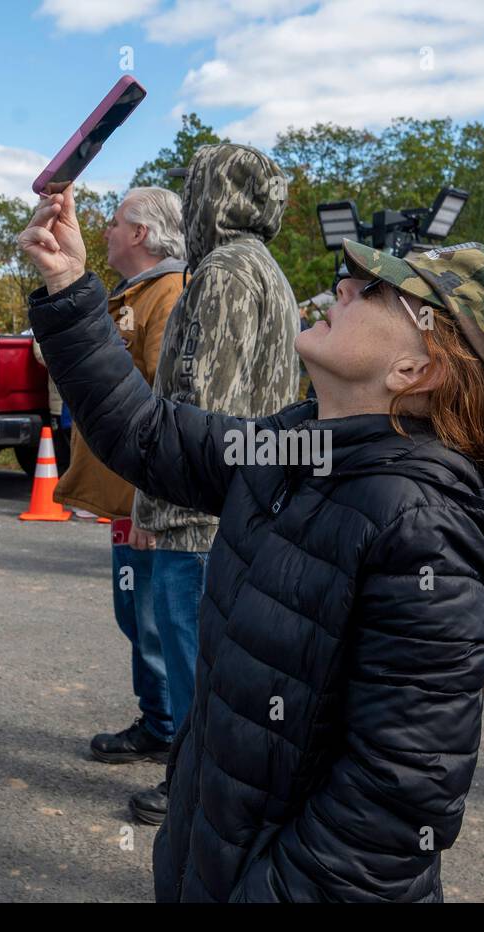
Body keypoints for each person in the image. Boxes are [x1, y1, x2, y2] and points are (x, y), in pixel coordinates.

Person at [20, 184, 484, 902]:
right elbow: (144, 433)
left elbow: (387, 815)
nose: (347, 285)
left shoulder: (424, 532)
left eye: (381, 292)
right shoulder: (297, 447)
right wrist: (69, 284)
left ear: (417, 370)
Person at [121, 143, 301, 826]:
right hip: (240, 505)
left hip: (199, 515)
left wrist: (161, 498)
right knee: (217, 664)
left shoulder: (224, 271)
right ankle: (204, 780)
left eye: (196, 185)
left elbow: (202, 406)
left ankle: (201, 789)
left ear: (212, 196)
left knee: (200, 667)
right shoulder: (264, 268)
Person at [54, 187, 189, 764]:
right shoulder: (136, 293)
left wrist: (153, 503)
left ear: (140, 234)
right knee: (137, 617)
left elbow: (169, 402)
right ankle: (158, 723)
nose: (106, 233)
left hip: (147, 500)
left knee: (162, 627)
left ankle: (181, 748)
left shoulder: (173, 294)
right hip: (127, 497)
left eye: (113, 223)